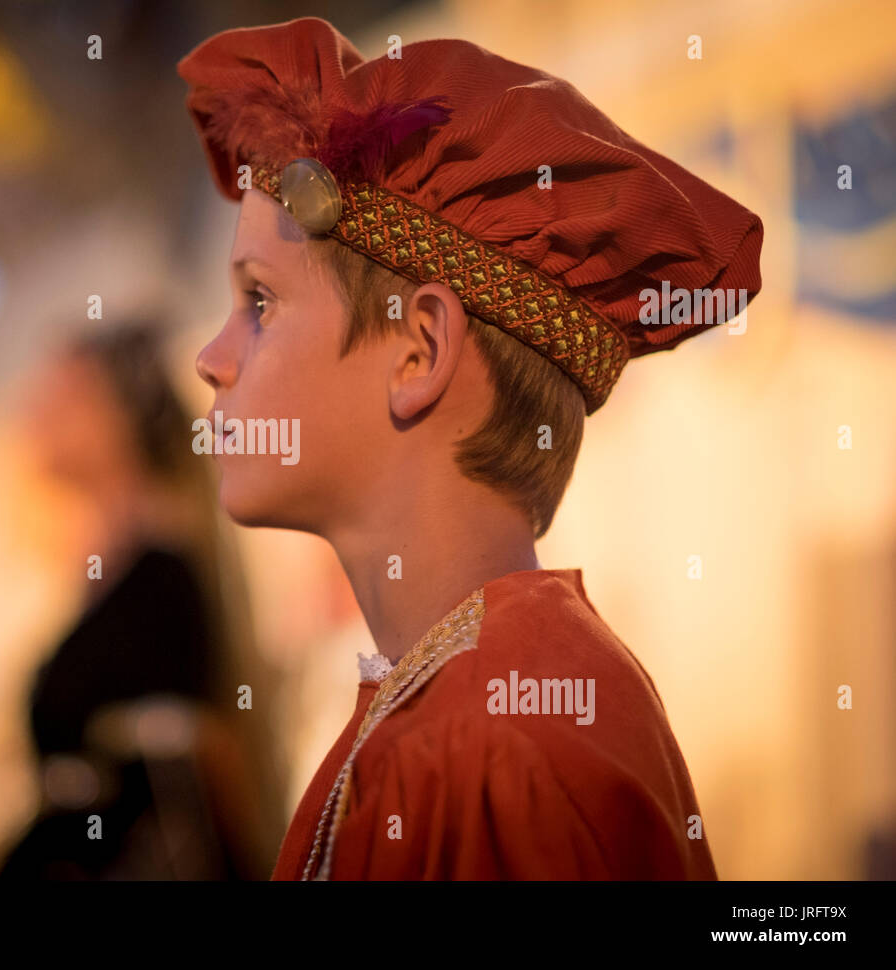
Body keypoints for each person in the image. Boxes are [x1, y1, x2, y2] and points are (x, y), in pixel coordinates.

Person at [177, 18, 762, 879]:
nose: (210, 359)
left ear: (418, 351)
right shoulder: (457, 699)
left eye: (260, 303)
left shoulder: (497, 743)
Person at [0, 323, 286, 880]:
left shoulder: (159, 587)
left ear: (119, 418)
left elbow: (164, 798)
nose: (36, 408)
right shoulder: (125, 572)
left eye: (69, 392)